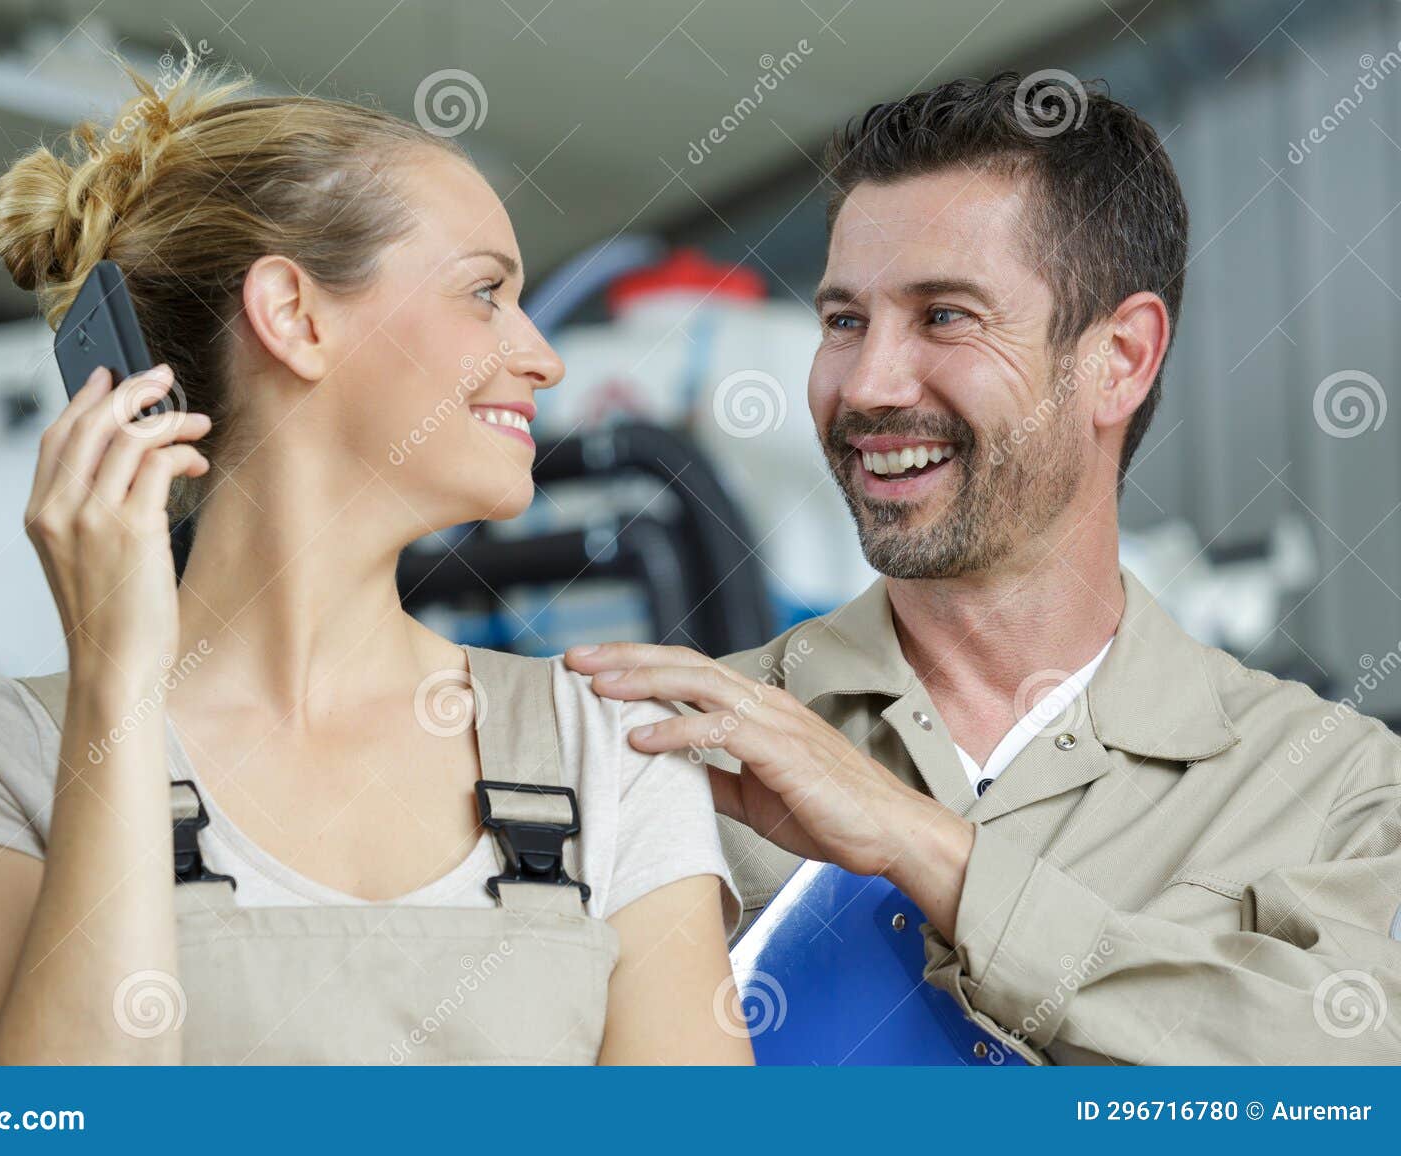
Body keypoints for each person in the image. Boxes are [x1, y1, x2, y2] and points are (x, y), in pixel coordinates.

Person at [0, 52, 749, 1066]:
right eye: (485, 292)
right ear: (295, 316)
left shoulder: (608, 752)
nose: (543, 352)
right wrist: (119, 689)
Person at [567, 72, 1401, 1064]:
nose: (867, 384)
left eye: (944, 316)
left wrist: (930, 855)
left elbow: (1344, 1087)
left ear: (1120, 359)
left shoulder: (1336, 790)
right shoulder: (661, 749)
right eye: (843, 320)